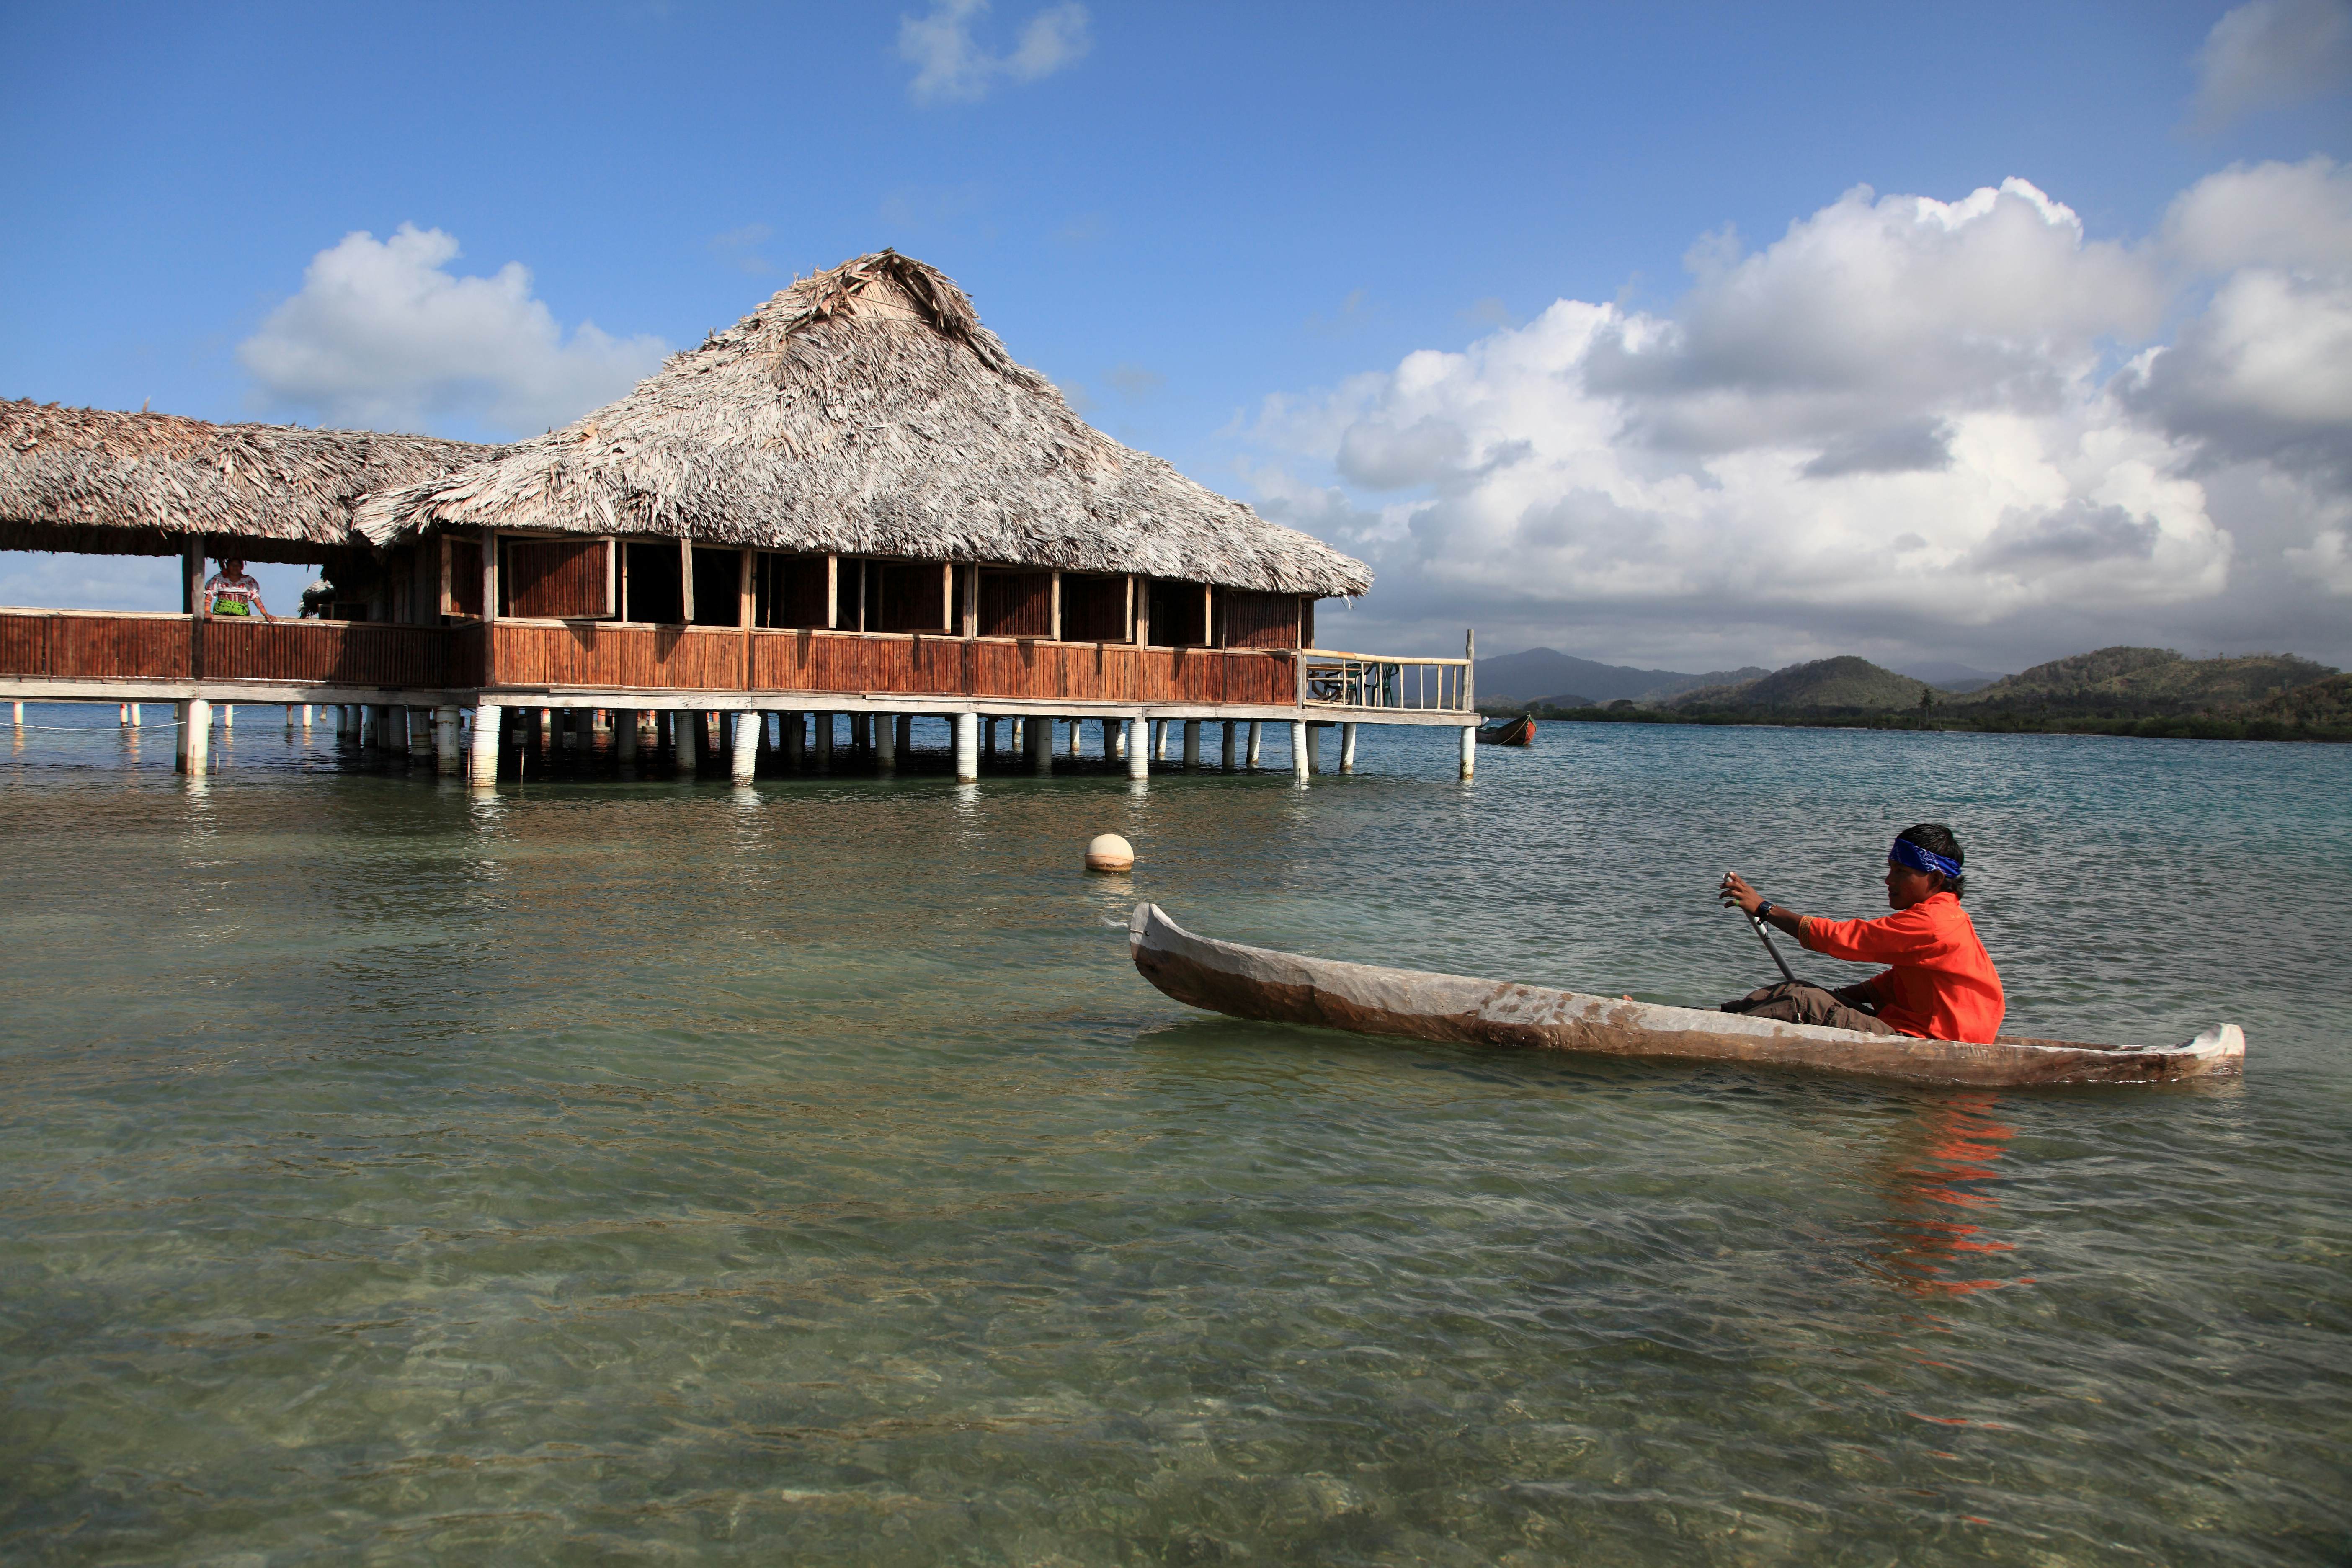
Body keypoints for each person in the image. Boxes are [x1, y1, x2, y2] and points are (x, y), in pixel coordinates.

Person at [1716, 823, 2004, 1042]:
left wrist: (1765, 908)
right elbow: (1895, 984)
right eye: (1890, 869)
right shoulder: (1946, 916)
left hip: (1936, 1041)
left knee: (1803, 1002)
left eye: (1901, 872)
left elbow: (1842, 939)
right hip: (1928, 1029)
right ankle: (1716, 1019)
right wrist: (1836, 996)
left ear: (1936, 879)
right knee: (1798, 989)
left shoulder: (1934, 923)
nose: (1888, 880)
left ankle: (1717, 1038)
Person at [201, 558, 274, 622]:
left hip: (242, 617)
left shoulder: (249, 581)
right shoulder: (219, 579)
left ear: (242, 567)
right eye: (232, 565)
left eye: (238, 565)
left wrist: (265, 614)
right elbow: (209, 596)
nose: (235, 567)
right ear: (228, 567)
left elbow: (257, 600)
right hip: (221, 616)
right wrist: (207, 611)